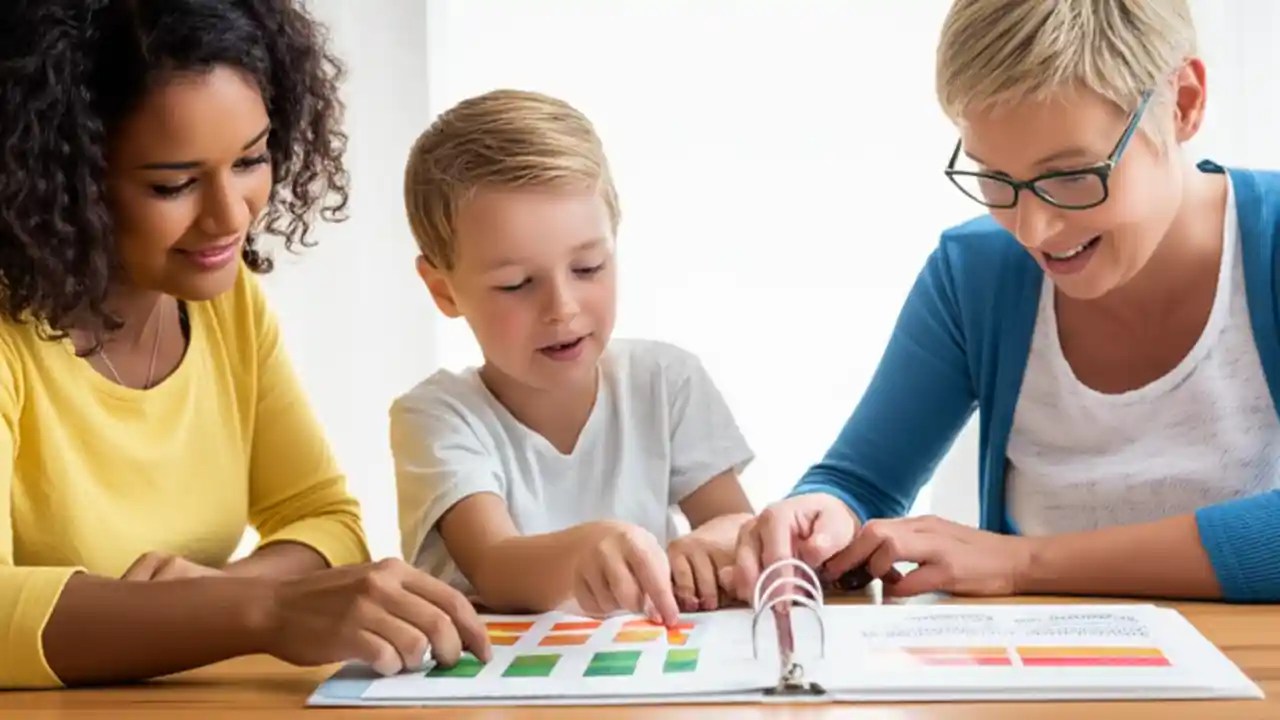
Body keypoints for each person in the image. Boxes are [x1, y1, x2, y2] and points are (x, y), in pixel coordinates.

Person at [0, 0, 488, 689]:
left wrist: (214, 601)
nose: (232, 216)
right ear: (63, 179)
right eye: (174, 184)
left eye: (251, 160)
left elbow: (324, 521)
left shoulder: (227, 307)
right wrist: (252, 609)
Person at [733, 0, 1280, 604]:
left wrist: (1024, 563)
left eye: (1071, 175)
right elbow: (860, 482)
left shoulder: (1270, 244)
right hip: (1042, 683)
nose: (1032, 230)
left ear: (1183, 103)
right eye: (995, 179)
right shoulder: (974, 274)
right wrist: (825, 512)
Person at [392, 89, 756, 626]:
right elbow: (494, 564)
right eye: (516, 284)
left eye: (587, 268)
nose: (562, 308)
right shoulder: (436, 415)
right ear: (444, 290)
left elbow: (735, 522)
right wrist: (594, 544)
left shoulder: (665, 381)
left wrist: (710, 547)